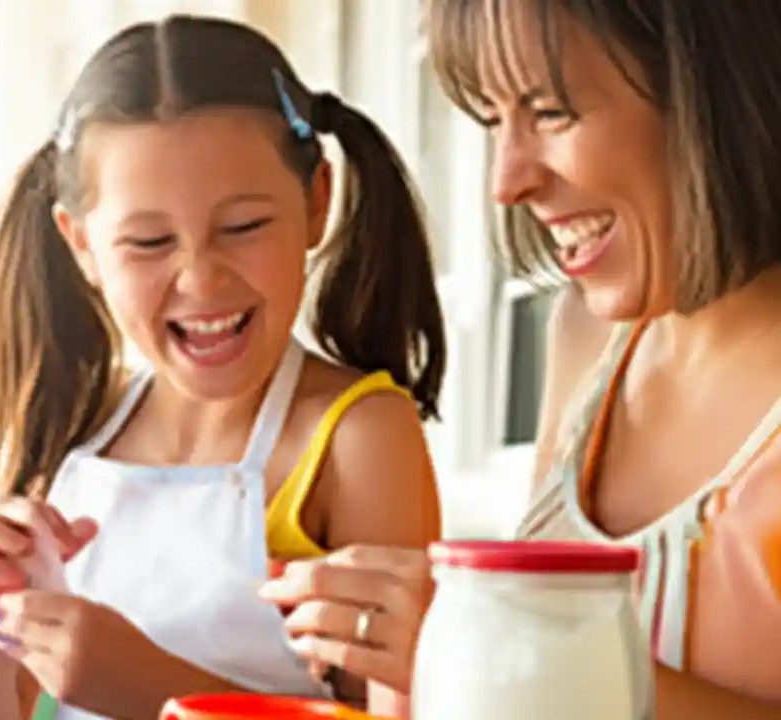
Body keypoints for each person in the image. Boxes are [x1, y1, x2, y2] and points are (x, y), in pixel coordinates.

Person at [271, 1, 781, 716]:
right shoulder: (589, 338)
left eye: (550, 112)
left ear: (716, 92)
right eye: (492, 120)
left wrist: (495, 647)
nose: (505, 184)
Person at [0, 14, 446, 720]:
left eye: (244, 227)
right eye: (148, 241)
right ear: (82, 246)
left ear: (316, 202)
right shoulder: (81, 427)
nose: (201, 279)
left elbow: (403, 711)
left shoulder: (358, 435)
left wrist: (150, 687)